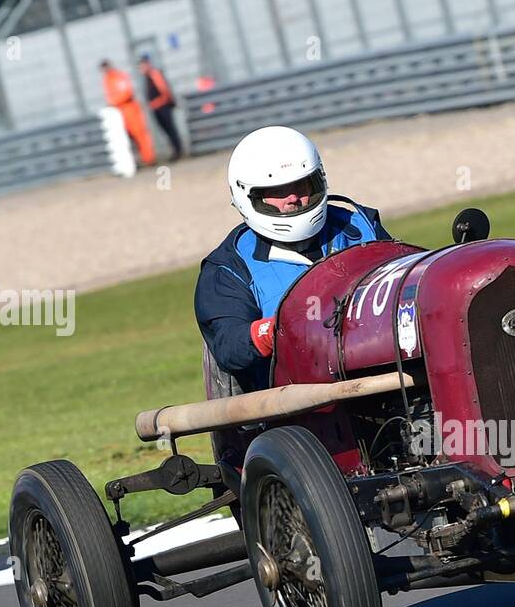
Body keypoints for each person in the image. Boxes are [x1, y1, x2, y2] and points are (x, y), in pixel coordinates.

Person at [194, 126, 392, 405]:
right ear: (248, 197)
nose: (293, 199)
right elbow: (229, 346)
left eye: (301, 186)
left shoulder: (361, 225)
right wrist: (279, 329)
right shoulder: (228, 268)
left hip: (389, 379)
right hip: (299, 410)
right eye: (277, 191)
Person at [100, 59, 154, 166]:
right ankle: (132, 162)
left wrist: (114, 102)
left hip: (129, 109)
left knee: (139, 133)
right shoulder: (106, 80)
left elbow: (127, 92)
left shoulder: (119, 76)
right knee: (123, 138)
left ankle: (148, 159)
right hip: (118, 112)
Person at [139, 53, 183, 159]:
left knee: (170, 129)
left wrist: (170, 101)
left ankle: (178, 150)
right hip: (156, 108)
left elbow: (164, 89)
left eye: (142, 65)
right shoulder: (147, 77)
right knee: (165, 130)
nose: (141, 68)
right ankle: (175, 150)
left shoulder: (155, 74)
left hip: (163, 106)